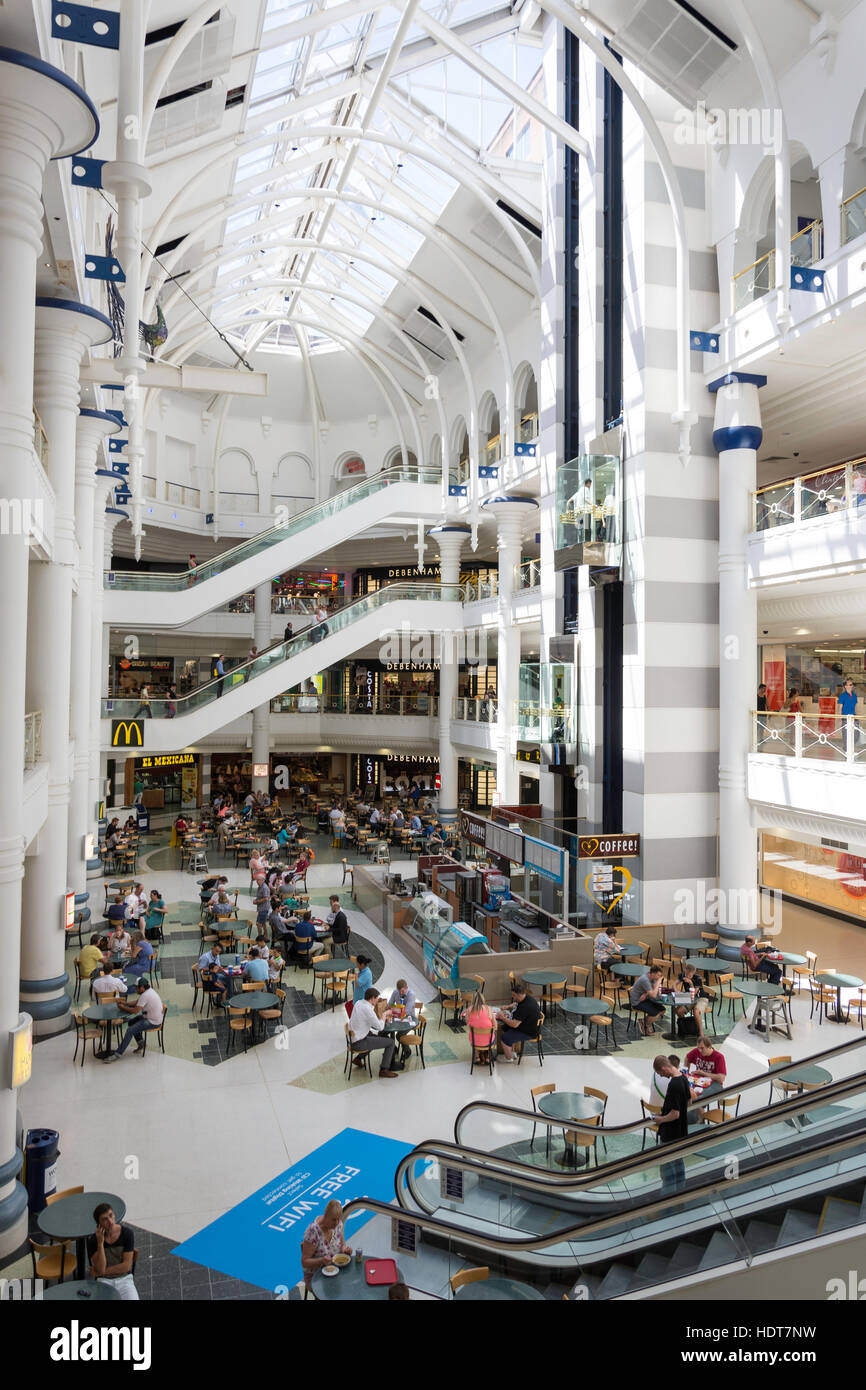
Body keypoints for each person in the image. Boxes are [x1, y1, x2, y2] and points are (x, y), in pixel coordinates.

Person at [652, 1056, 701, 1195]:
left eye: (660, 1073)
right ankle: (680, 1195)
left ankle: (667, 1200)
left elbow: (675, 1114)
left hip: (670, 1133)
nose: (661, 1076)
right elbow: (689, 1101)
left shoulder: (674, 1084)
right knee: (679, 1164)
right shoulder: (684, 1078)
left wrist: (661, 1119)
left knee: (667, 1168)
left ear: (663, 1068)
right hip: (681, 1131)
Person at [87, 1204, 138, 1300]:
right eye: (105, 1219)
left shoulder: (127, 1234)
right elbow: (101, 1268)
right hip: (104, 1281)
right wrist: (100, 1243)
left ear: (114, 1215)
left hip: (124, 1280)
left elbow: (126, 1266)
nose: (110, 1221)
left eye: (110, 1215)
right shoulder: (93, 1241)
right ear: (99, 1224)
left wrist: (101, 1272)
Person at [104, 977, 163, 1060]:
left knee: (130, 1030)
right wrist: (124, 1003)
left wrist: (122, 1008)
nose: (135, 990)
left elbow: (135, 1011)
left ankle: (117, 1054)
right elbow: (136, 1002)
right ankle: (141, 1043)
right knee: (131, 1022)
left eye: (136, 988)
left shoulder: (146, 995)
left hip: (153, 1021)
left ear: (142, 987)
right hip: (151, 1017)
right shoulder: (148, 991)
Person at [300, 1199, 352, 1292]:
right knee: (335, 1291)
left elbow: (342, 1244)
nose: (336, 1223)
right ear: (326, 1215)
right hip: (316, 1275)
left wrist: (345, 1250)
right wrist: (321, 1260)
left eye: (338, 1219)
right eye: (333, 1220)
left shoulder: (338, 1224)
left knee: (351, 1284)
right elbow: (304, 1261)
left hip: (336, 1268)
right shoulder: (313, 1231)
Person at [349, 987, 400, 1077]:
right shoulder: (367, 1009)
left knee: (374, 1037)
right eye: (376, 999)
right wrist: (384, 1014)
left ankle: (358, 1059)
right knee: (391, 1042)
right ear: (372, 998)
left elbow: (369, 1019)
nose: (377, 1001)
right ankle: (384, 1069)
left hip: (354, 1037)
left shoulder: (359, 1003)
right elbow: (380, 1027)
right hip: (359, 1042)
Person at [495, 982, 541, 1062]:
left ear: (519, 995)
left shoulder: (525, 1007)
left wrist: (502, 1017)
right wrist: (508, 1007)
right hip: (526, 1025)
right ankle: (512, 1052)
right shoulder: (526, 998)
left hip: (528, 1032)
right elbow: (515, 1004)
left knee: (504, 1037)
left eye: (514, 995)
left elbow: (514, 1024)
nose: (513, 997)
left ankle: (508, 1059)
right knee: (505, 1028)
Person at [675, 961, 710, 1039]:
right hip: (689, 998)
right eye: (686, 974)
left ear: (693, 973)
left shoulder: (698, 978)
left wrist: (690, 983)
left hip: (701, 998)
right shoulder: (683, 975)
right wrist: (676, 989)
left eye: (689, 975)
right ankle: (685, 1028)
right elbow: (675, 983)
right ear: (685, 971)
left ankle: (701, 1033)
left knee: (696, 1011)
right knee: (678, 1011)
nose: (687, 976)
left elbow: (694, 993)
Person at [630, 965, 666, 1036]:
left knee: (662, 1010)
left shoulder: (651, 978)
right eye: (658, 975)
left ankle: (643, 1021)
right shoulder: (645, 979)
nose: (659, 977)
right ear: (653, 974)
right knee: (655, 1013)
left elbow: (652, 989)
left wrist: (646, 994)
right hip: (637, 1002)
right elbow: (653, 995)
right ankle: (645, 1026)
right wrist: (658, 984)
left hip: (645, 999)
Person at [463, 990, 496, 1060]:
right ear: (483, 999)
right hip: (488, 1041)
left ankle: (477, 1055)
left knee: (473, 1033)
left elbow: (467, 1023)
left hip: (475, 1041)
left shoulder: (469, 1010)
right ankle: (487, 1056)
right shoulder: (488, 1009)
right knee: (493, 1032)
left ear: (473, 1000)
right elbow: (495, 1026)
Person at [838, 677, 860, 756]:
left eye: (852, 684)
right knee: (845, 735)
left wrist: (857, 717)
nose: (851, 686)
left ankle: (850, 747)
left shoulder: (854, 696)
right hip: (845, 719)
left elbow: (855, 707)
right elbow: (840, 707)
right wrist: (840, 718)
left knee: (857, 734)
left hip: (854, 718)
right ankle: (847, 750)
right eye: (850, 684)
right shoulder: (842, 696)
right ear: (845, 686)